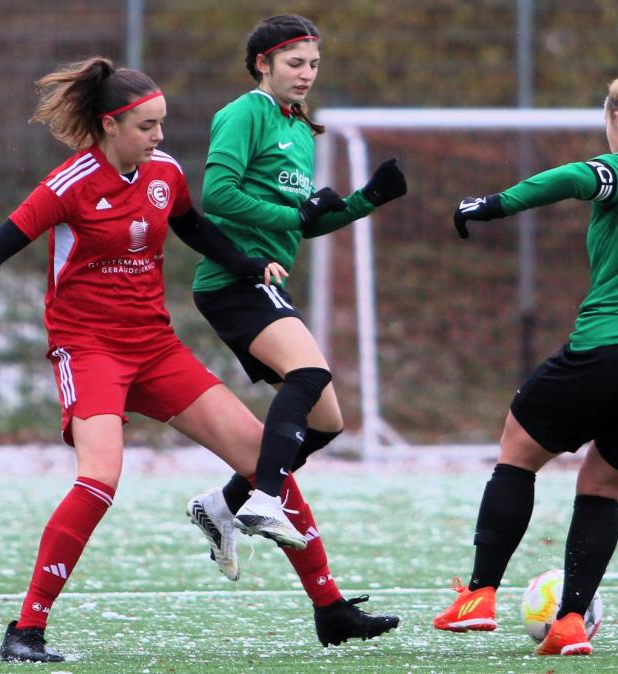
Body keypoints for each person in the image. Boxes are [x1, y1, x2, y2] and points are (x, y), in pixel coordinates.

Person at [0, 56, 312, 662]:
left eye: (162, 124)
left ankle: (331, 608)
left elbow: (195, 230)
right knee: (100, 479)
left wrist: (249, 264)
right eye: (147, 126)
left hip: (154, 347)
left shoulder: (164, 174)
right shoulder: (70, 183)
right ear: (110, 126)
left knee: (263, 458)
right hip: (88, 348)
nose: (159, 136)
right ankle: (25, 631)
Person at [432, 61, 618, 656]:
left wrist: (492, 205)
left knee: (518, 449)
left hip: (613, 345)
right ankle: (571, 623)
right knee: (602, 487)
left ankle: (479, 596)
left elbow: (577, 176)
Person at [182, 14, 406, 647]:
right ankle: (263, 498)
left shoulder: (299, 130)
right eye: (294, 63)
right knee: (310, 374)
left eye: (313, 64)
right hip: (233, 279)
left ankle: (226, 503)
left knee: (329, 420)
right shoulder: (245, 113)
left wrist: (366, 200)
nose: (306, 74)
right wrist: (293, 210)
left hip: (269, 283)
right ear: (263, 64)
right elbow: (217, 196)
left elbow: (302, 225)